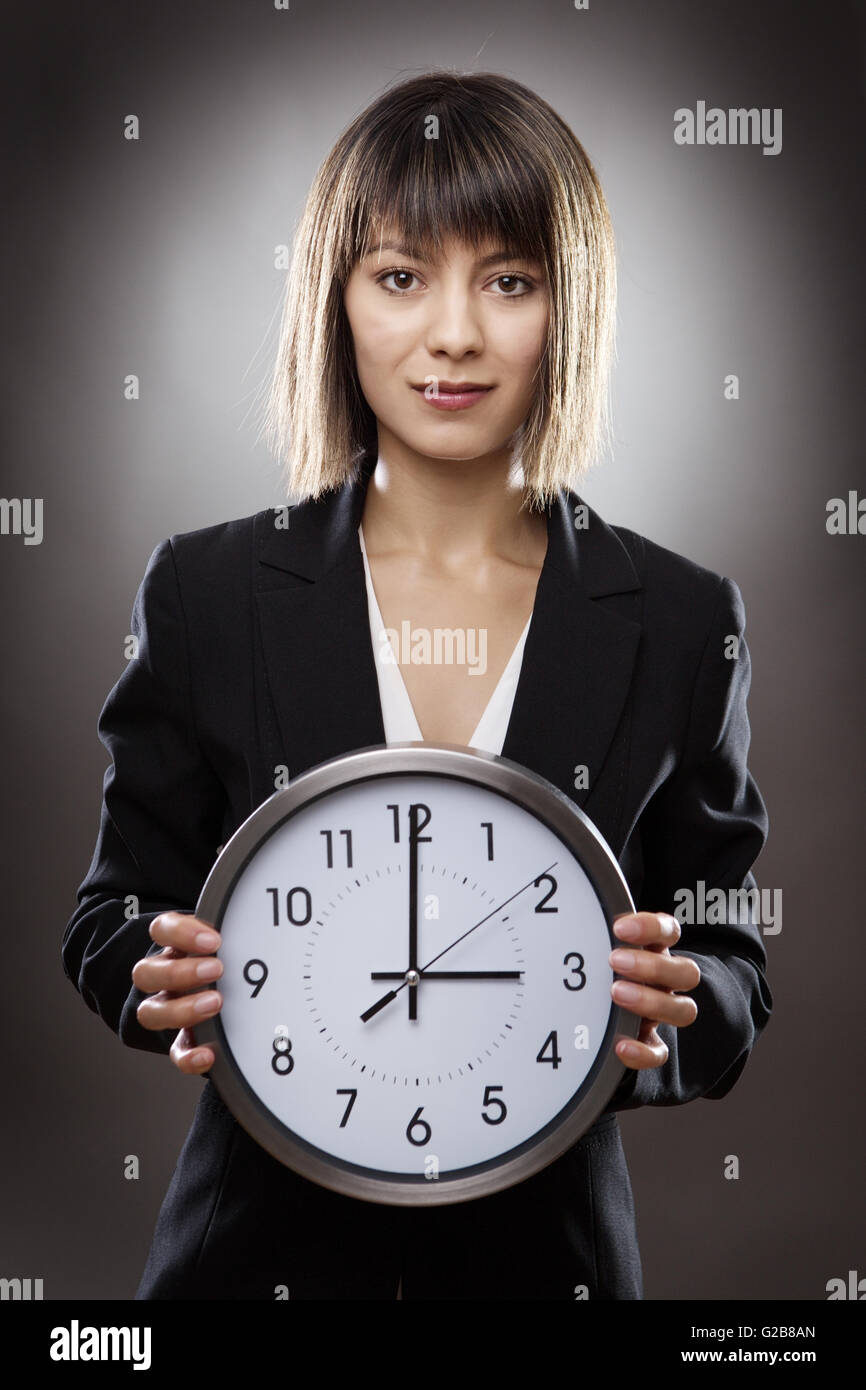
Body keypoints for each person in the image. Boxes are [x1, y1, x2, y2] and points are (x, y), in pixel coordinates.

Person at [61, 70, 772, 1301]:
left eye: (509, 281)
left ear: (569, 305)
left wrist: (678, 1004)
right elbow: (112, 909)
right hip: (251, 1270)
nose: (453, 334)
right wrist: (151, 973)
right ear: (334, 299)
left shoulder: (679, 617)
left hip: (546, 1273)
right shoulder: (206, 591)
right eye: (399, 277)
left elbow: (731, 956)